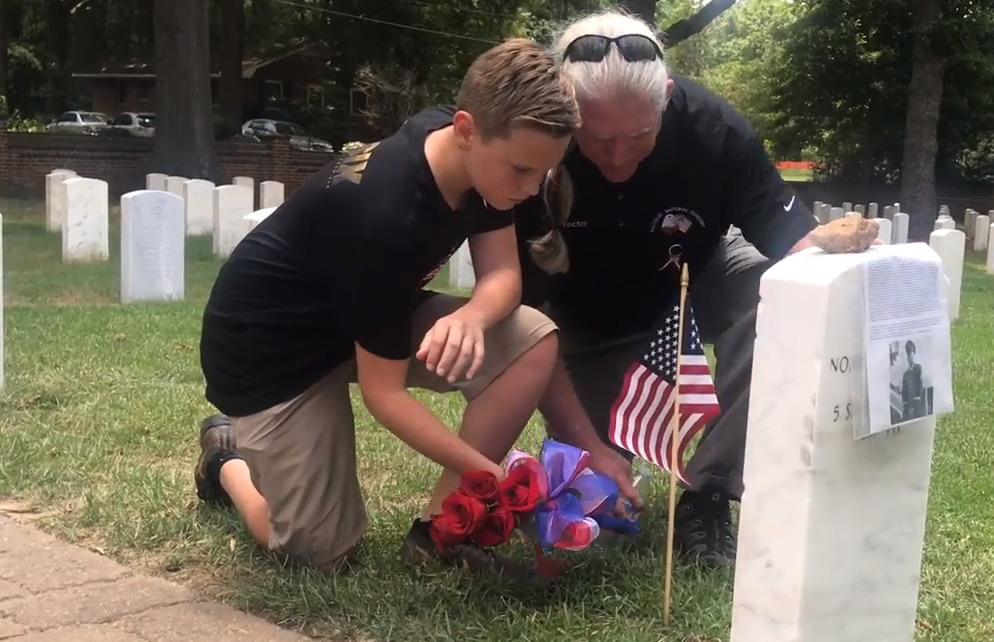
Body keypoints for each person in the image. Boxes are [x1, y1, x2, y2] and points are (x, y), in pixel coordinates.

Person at [192, 38, 585, 575]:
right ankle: (225, 460)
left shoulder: (475, 161)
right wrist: (493, 478)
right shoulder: (386, 217)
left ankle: (439, 532)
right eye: (521, 170)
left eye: (544, 172)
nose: (532, 187)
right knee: (318, 552)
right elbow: (386, 396)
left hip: (363, 312)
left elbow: (502, 275)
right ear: (468, 130)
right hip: (269, 350)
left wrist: (473, 316)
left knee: (529, 340)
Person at [512, 11, 820, 567]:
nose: (618, 159)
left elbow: (797, 247)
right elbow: (525, 321)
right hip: (589, 321)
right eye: (598, 139)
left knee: (775, 298)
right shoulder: (535, 146)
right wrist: (581, 435)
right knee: (594, 521)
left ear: (667, 97)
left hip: (692, 279)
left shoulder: (717, 134)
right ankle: (592, 452)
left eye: (639, 136)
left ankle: (711, 492)